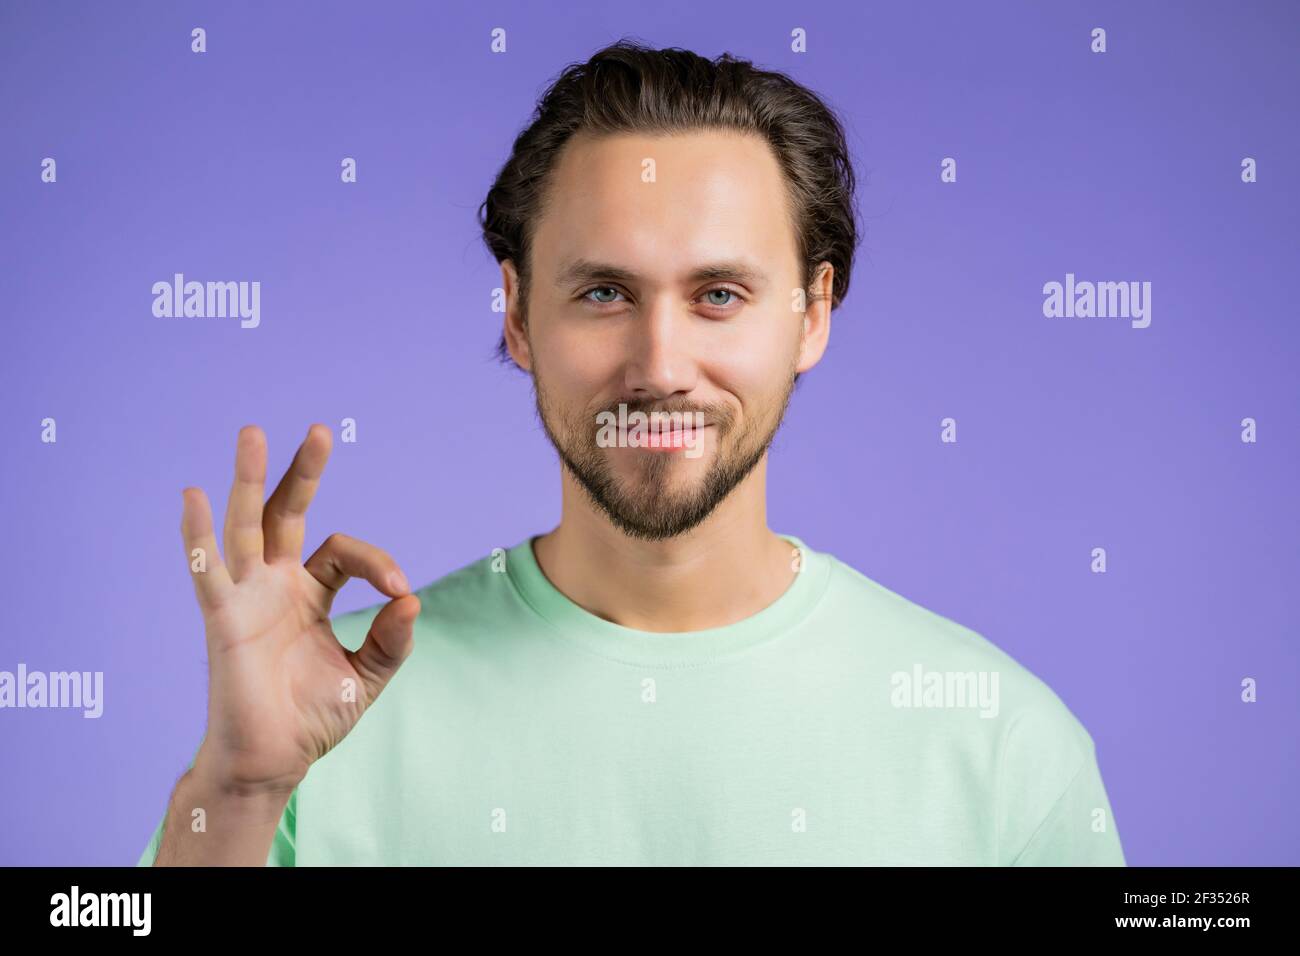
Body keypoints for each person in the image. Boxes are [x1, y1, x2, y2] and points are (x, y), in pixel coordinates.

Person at [137, 39, 1124, 866]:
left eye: (719, 295)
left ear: (812, 312)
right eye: (604, 293)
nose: (659, 364)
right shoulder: (326, 716)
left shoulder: (1000, 744)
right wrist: (234, 790)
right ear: (518, 313)